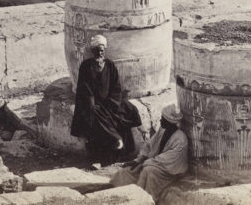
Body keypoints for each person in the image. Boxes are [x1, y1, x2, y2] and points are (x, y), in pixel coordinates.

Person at [70, 35, 141, 167]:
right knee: (93, 113)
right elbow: (84, 89)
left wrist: (112, 103)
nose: (100, 53)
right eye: (97, 50)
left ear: (105, 51)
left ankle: (124, 150)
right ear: (92, 51)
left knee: (129, 110)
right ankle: (115, 138)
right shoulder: (86, 66)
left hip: (110, 101)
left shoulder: (110, 65)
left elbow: (116, 87)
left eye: (102, 50)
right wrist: (91, 103)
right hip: (93, 101)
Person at [111, 103, 189, 202]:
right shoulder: (162, 130)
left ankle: (145, 200)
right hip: (153, 164)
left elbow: (169, 161)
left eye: (163, 119)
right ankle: (120, 198)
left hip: (169, 171)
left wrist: (147, 162)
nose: (160, 120)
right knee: (126, 171)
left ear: (169, 122)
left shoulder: (181, 139)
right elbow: (149, 146)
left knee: (148, 171)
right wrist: (138, 160)